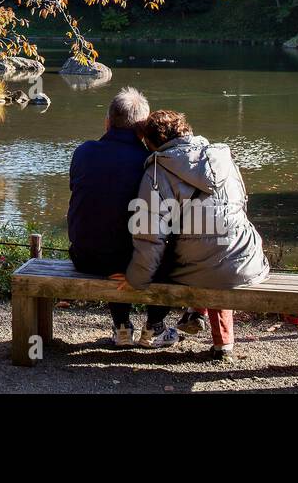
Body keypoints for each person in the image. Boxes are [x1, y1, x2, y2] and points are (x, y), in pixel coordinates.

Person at [127, 109, 270, 360]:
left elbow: (149, 235)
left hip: (203, 264)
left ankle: (197, 314)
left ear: (151, 143)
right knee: (217, 249)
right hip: (246, 258)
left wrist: (137, 281)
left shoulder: (158, 170)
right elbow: (241, 205)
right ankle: (214, 334)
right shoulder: (222, 158)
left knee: (201, 256)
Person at [67, 87, 178, 348]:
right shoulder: (151, 162)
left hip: (84, 257)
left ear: (107, 122)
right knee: (165, 252)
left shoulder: (83, 152)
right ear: (143, 129)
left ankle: (121, 327)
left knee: (108, 229)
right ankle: (155, 327)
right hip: (129, 261)